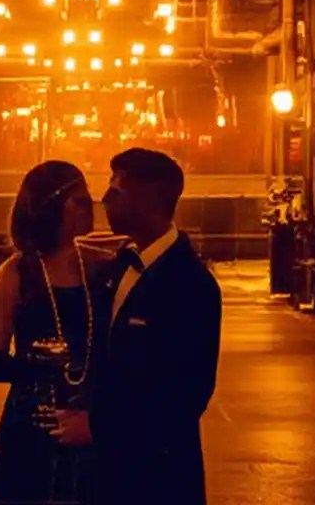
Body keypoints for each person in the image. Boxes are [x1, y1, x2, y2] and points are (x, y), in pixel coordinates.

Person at [54, 148, 222, 505]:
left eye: (117, 191)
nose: (104, 200)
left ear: (148, 199)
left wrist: (99, 426)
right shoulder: (122, 266)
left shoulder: (189, 284)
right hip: (110, 470)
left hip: (158, 477)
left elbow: (186, 394)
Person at [0, 160, 108, 502]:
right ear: (53, 208)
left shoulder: (99, 267)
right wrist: (38, 365)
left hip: (92, 418)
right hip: (34, 422)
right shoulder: (15, 275)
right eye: (79, 201)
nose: (91, 207)